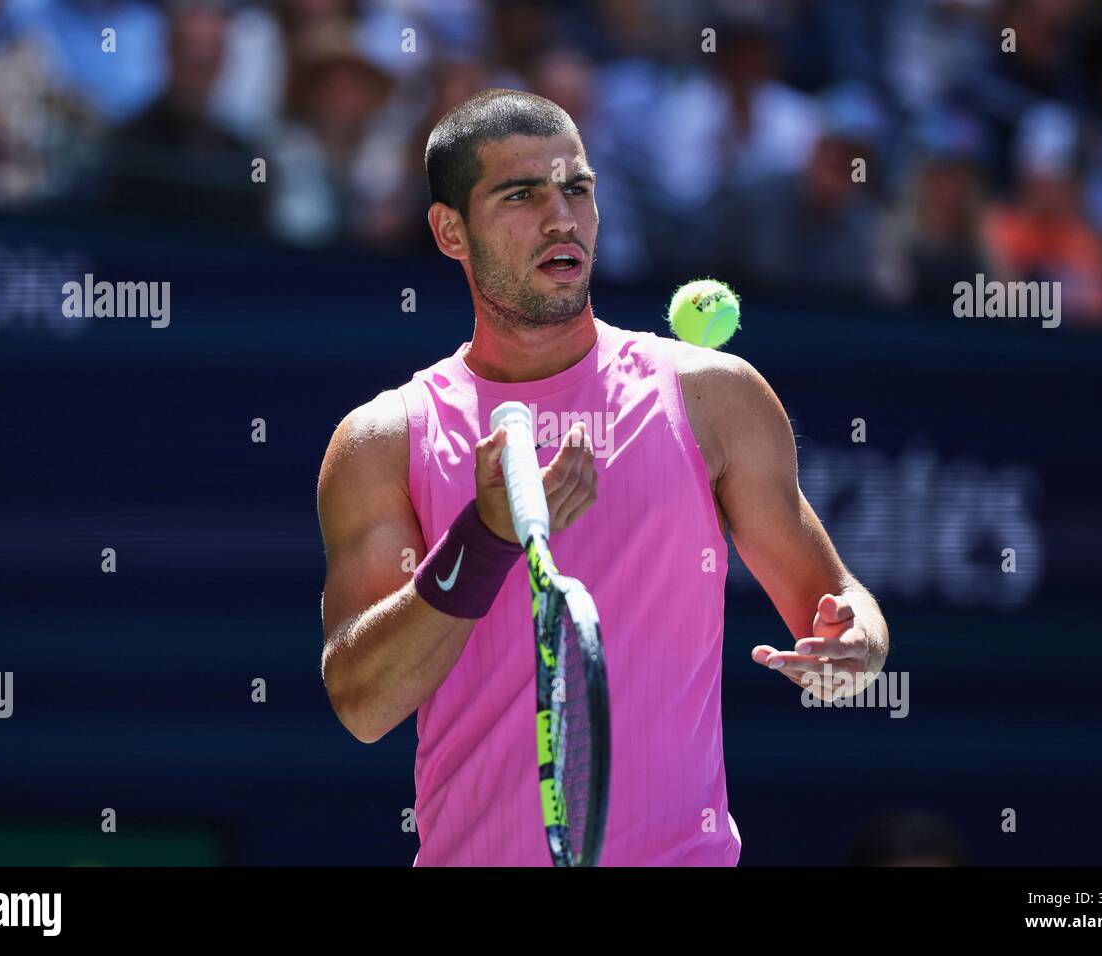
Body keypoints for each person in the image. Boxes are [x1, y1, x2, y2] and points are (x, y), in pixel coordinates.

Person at [316, 89, 890, 866]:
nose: (561, 218)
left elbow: (833, 604)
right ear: (451, 231)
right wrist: (483, 540)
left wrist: (858, 644)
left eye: (577, 189)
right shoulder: (384, 439)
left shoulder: (715, 396)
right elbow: (363, 703)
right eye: (521, 195)